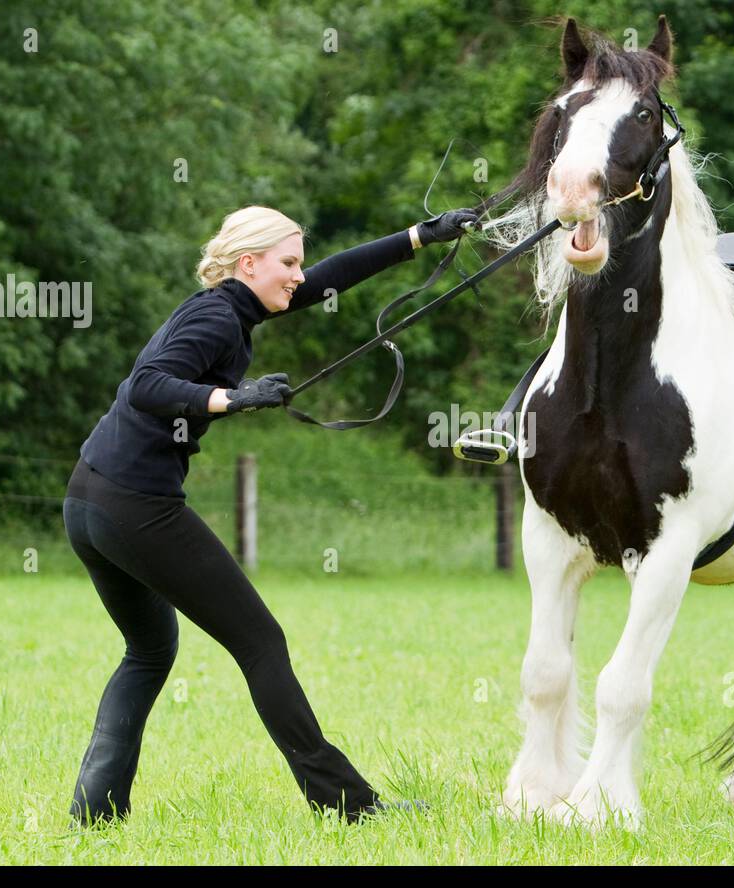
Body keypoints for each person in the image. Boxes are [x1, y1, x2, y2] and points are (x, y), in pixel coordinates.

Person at [62, 203, 478, 826]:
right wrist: (232, 398)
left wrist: (419, 237)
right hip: (134, 505)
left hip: (88, 499)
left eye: (298, 264)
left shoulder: (235, 307)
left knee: (150, 648)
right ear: (247, 263)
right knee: (261, 642)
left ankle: (93, 815)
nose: (297, 276)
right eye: (286, 264)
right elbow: (149, 384)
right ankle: (345, 804)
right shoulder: (214, 318)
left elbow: (329, 278)